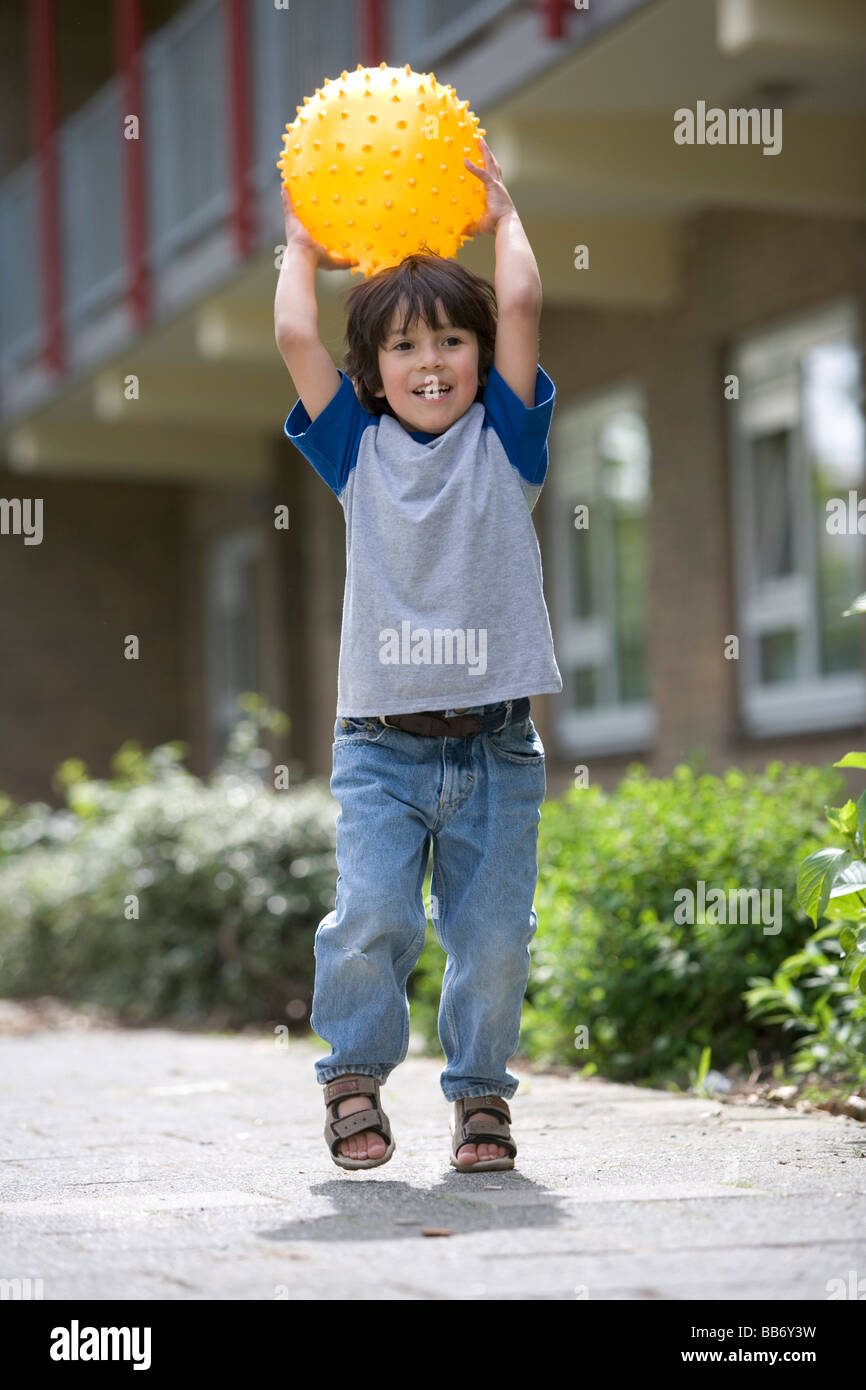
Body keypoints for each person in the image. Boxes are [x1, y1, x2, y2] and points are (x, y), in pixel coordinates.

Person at [275, 138, 562, 1172]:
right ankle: (353, 1075)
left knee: (491, 943)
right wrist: (303, 243)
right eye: (402, 348)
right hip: (381, 750)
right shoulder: (355, 449)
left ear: (480, 359)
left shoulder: (506, 442)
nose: (430, 362)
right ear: (372, 373)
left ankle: (480, 1099)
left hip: (495, 751)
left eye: (449, 340)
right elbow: (292, 333)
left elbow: (521, 302)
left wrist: (505, 218)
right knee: (375, 914)